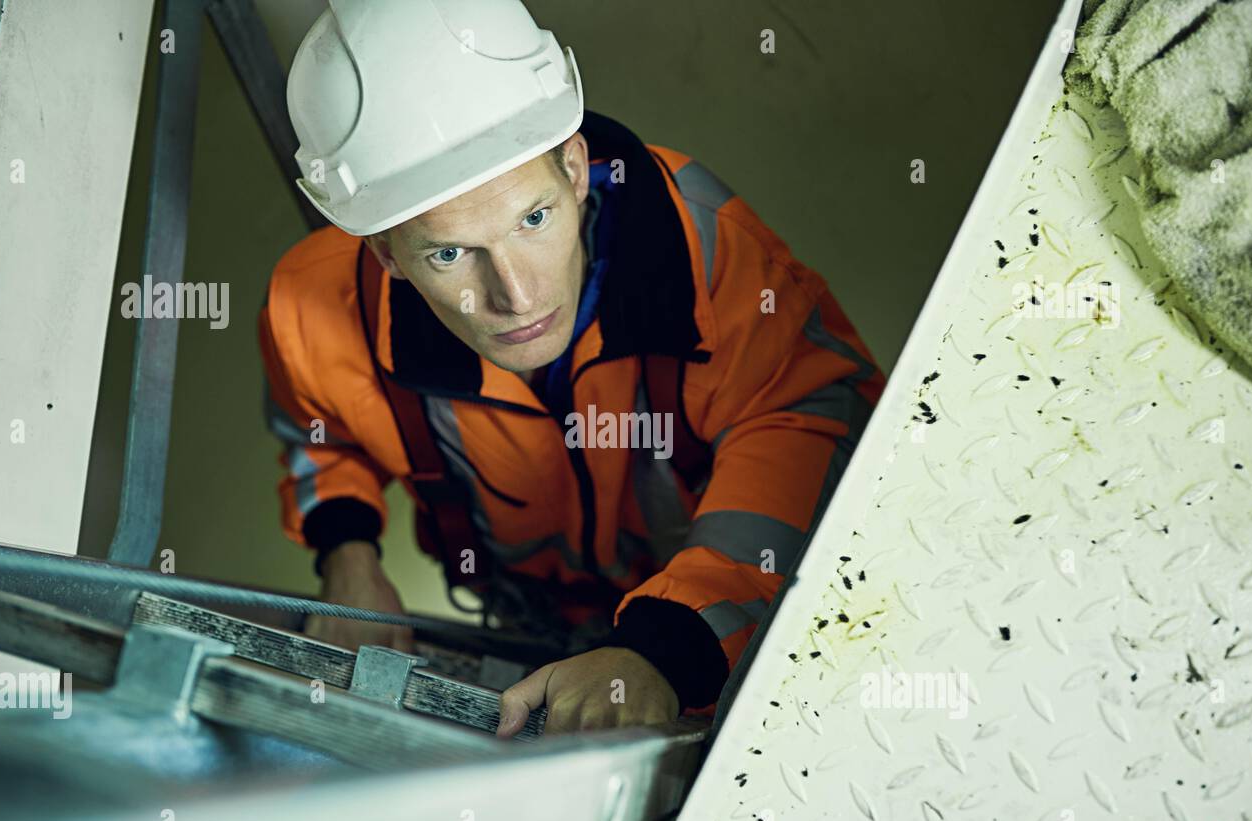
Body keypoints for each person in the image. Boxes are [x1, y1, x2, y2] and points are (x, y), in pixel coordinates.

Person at [259, 0, 883, 736]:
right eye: (448, 253)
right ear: (387, 254)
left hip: (710, 628)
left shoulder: (711, 254)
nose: (517, 297)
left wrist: (662, 645)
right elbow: (321, 436)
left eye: (533, 219)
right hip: (535, 617)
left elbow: (810, 430)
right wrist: (348, 550)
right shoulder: (316, 303)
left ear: (576, 168)